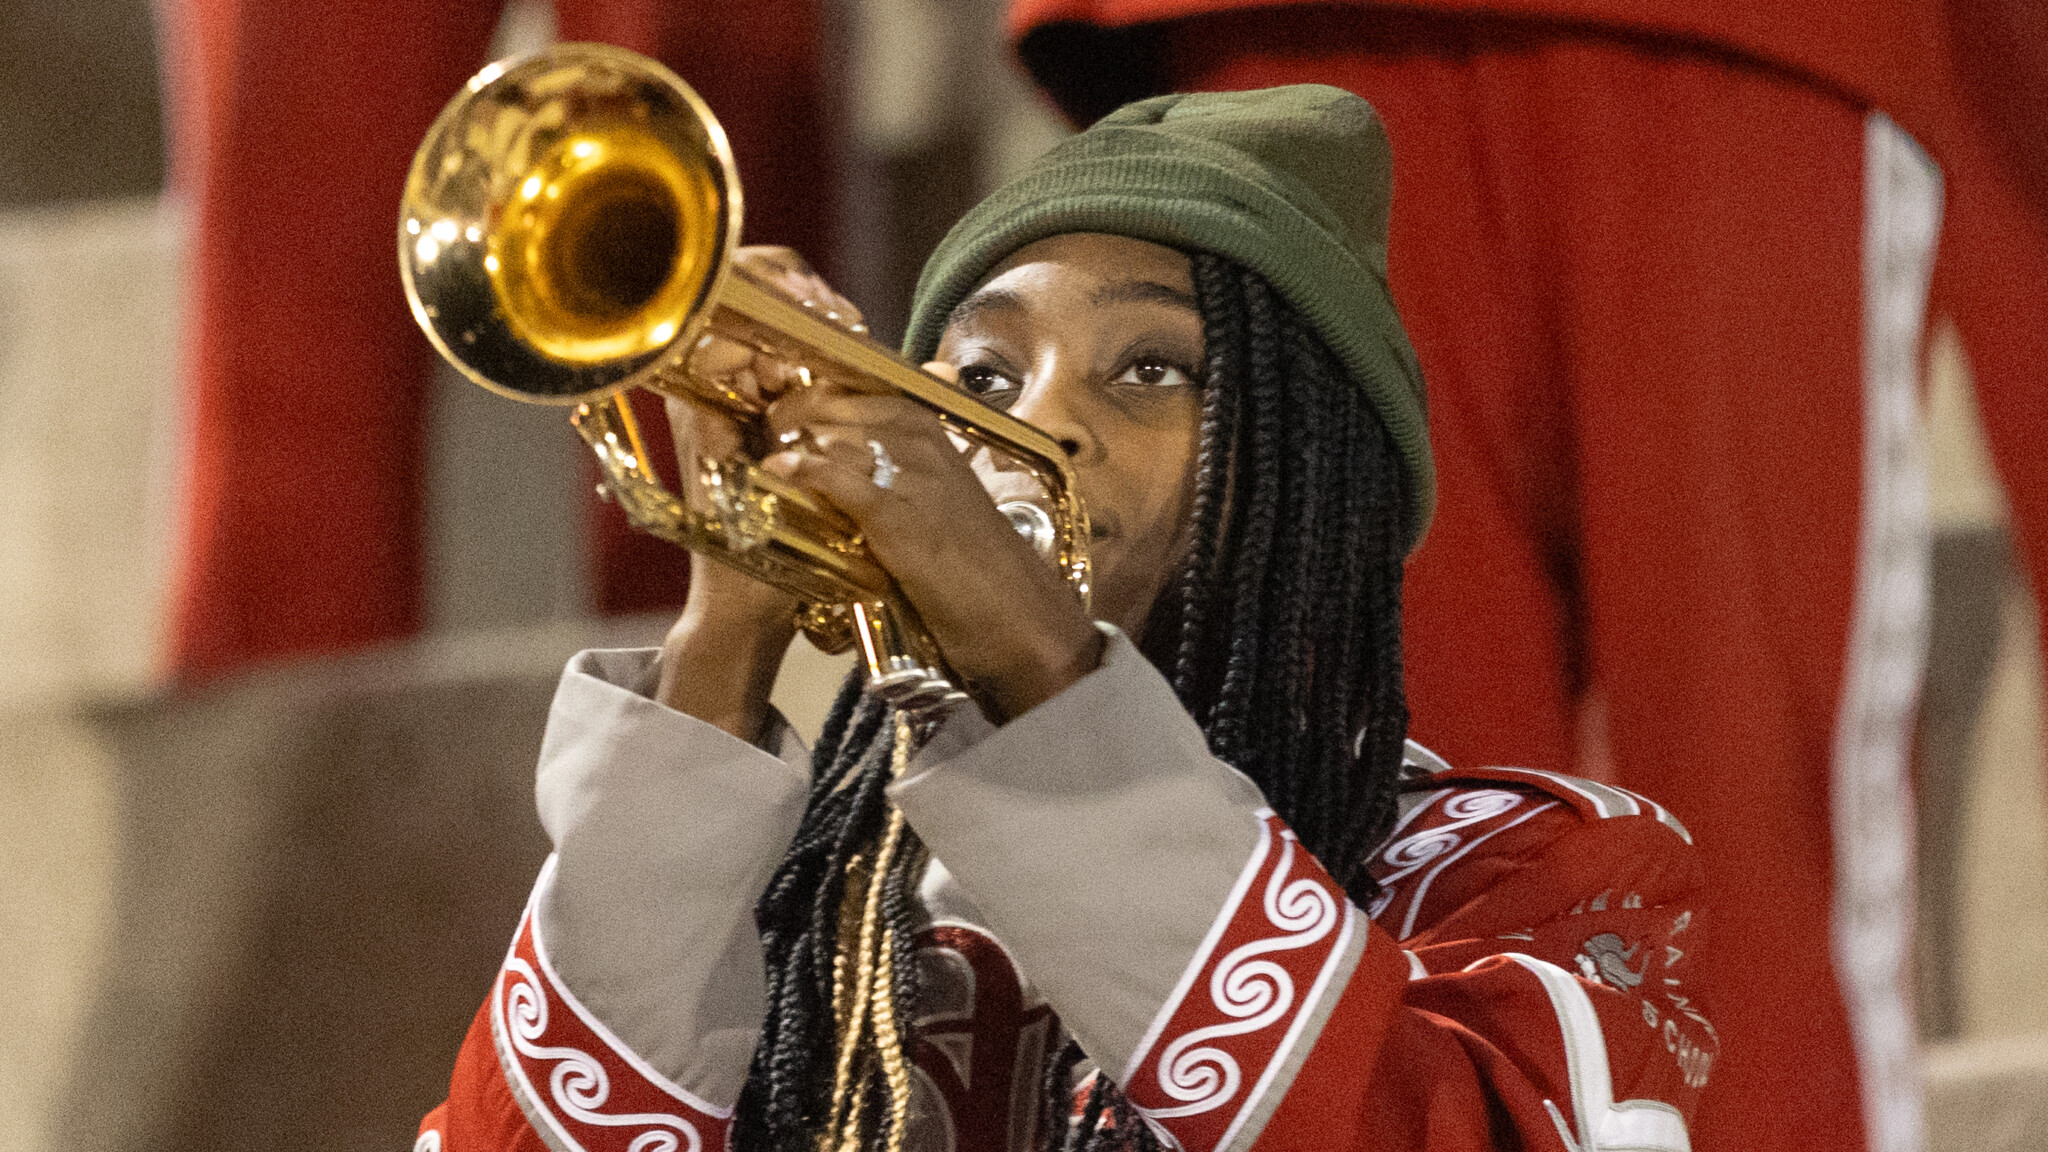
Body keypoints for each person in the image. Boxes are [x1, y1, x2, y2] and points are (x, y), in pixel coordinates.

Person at [417, 86, 1713, 1152]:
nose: (1040, 426)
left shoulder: (1525, 869)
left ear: (1316, 479)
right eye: (982, 377)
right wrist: (726, 633)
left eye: (1151, 368)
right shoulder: (789, 891)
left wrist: (1035, 657)